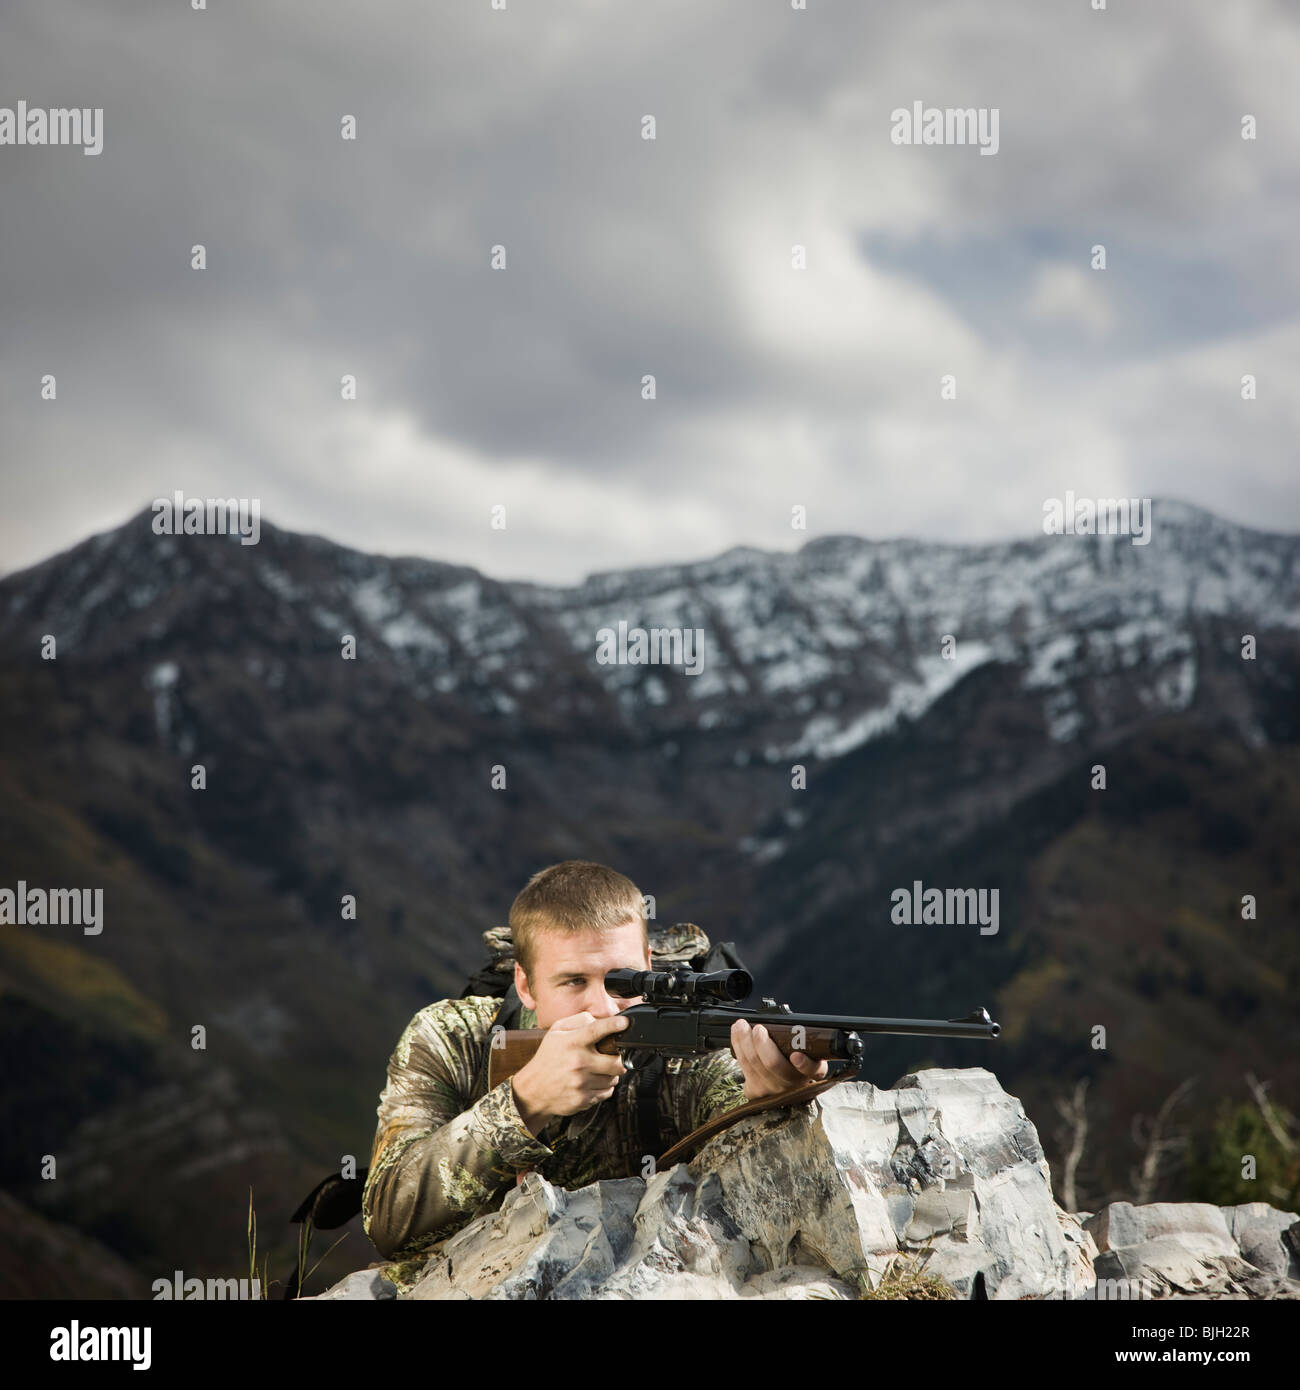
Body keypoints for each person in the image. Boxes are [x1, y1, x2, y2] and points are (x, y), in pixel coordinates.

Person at [361, 860, 826, 1262]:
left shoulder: (681, 1043)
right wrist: (524, 1103)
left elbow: (759, 1154)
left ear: (649, 963)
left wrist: (772, 1104)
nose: (604, 1007)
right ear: (525, 985)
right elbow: (389, 1222)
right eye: (573, 982)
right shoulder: (454, 1039)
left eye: (622, 979)